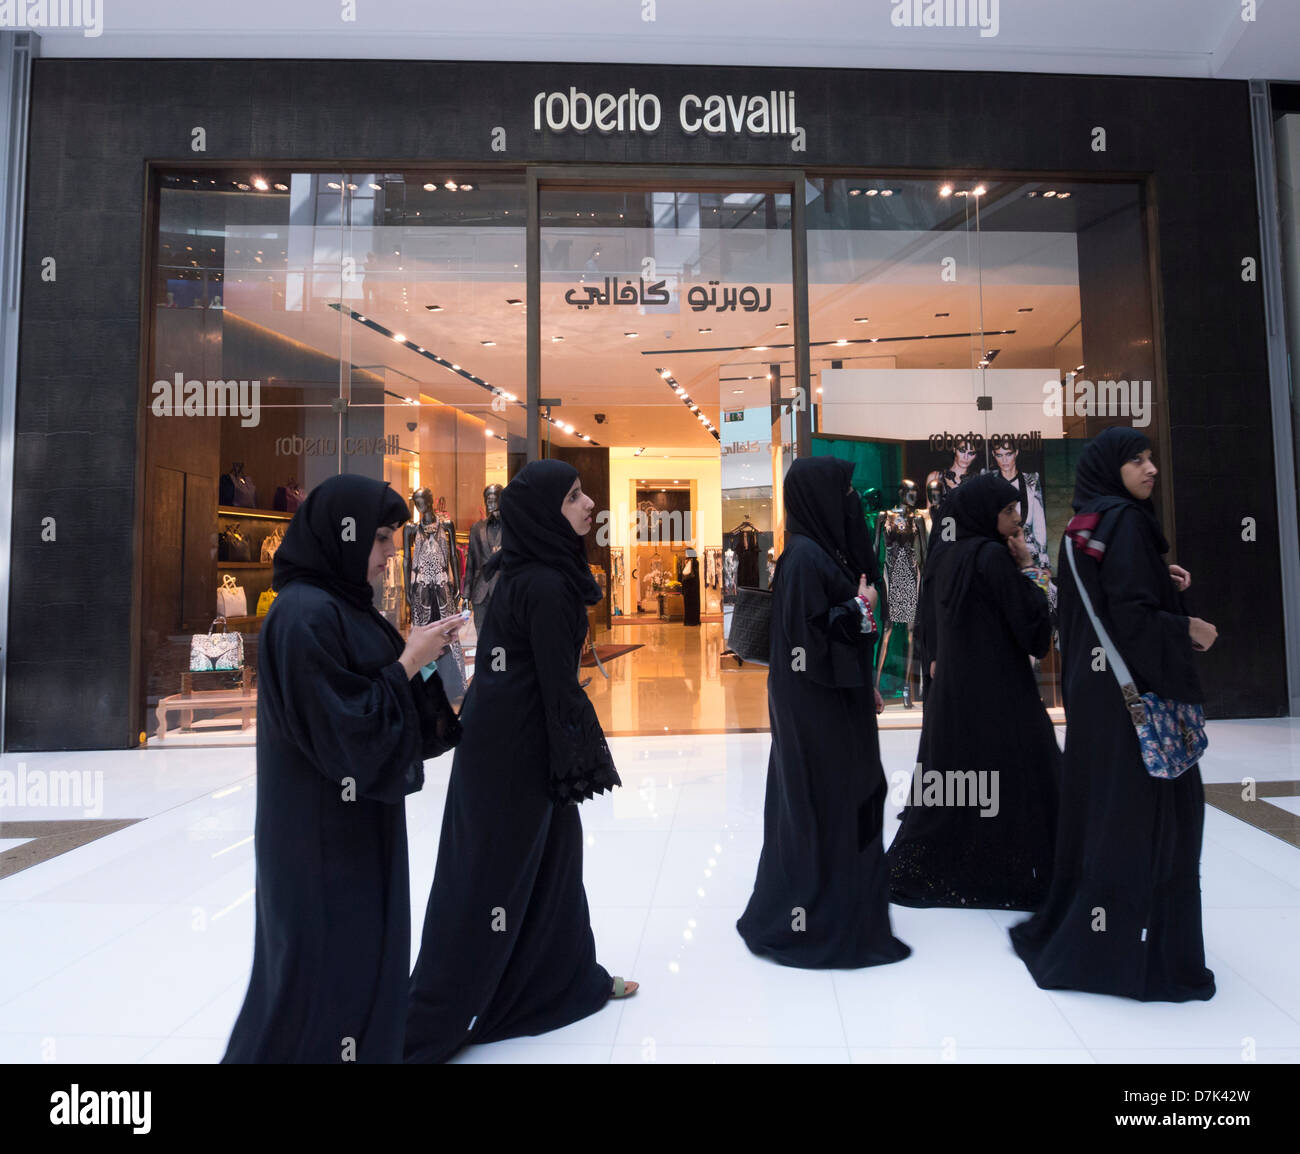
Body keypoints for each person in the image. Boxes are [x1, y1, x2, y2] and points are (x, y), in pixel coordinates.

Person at [223, 475, 464, 1064]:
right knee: (316, 987)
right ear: (343, 535)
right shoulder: (303, 616)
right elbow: (345, 726)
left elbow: (379, 702)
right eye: (381, 541)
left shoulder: (346, 609)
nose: (388, 556)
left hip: (358, 830)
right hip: (319, 841)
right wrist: (408, 660)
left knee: (362, 972)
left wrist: (418, 661)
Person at [405, 460, 629, 1063]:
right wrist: (580, 761)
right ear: (544, 511)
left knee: (547, 861)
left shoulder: (521, 571)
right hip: (520, 751)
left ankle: (569, 978)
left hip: (501, 743)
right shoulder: (549, 584)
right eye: (576, 497)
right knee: (495, 878)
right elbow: (560, 689)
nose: (588, 507)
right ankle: (431, 1021)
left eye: (585, 495)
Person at [1010, 427, 1218, 1002]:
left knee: (1105, 814)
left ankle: (1095, 933)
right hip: (1136, 707)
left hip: (1098, 699)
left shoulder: (1085, 523)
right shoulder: (1124, 522)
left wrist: (1163, 584)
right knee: (1154, 821)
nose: (1151, 468)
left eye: (1152, 457)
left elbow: (1098, 606)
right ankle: (1146, 954)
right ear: (1113, 468)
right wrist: (1188, 629)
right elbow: (1131, 617)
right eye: (1138, 460)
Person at [737, 457, 911, 969]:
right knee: (832, 797)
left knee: (839, 796)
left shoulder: (816, 552)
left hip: (828, 701)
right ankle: (821, 912)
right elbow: (807, 641)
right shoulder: (806, 559)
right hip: (816, 710)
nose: (852, 501)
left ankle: (840, 899)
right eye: (844, 492)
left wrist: (863, 685)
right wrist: (861, 607)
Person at [886, 472, 1060, 910]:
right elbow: (1035, 631)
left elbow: (927, 623)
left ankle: (956, 865)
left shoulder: (947, 555)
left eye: (1017, 509)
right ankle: (1003, 870)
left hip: (954, 698)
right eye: (1007, 511)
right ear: (985, 513)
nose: (1016, 520)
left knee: (959, 782)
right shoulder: (994, 559)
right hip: (1002, 695)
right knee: (1019, 780)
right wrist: (1029, 569)